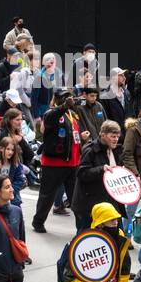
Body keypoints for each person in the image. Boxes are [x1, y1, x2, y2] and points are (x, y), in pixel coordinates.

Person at [32, 87, 83, 233]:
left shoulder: (72, 114)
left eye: (69, 97)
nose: (68, 100)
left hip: (73, 163)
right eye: (65, 98)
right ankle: (38, 222)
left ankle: (82, 228)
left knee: (76, 199)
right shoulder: (51, 113)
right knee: (47, 196)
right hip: (54, 163)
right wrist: (63, 106)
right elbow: (49, 119)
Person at [73, 119, 121, 230]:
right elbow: (81, 173)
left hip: (107, 204)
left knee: (114, 236)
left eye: (117, 136)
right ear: (103, 135)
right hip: (88, 205)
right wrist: (101, 169)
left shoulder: (116, 150)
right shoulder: (90, 150)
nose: (116, 139)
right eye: (113, 136)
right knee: (84, 238)